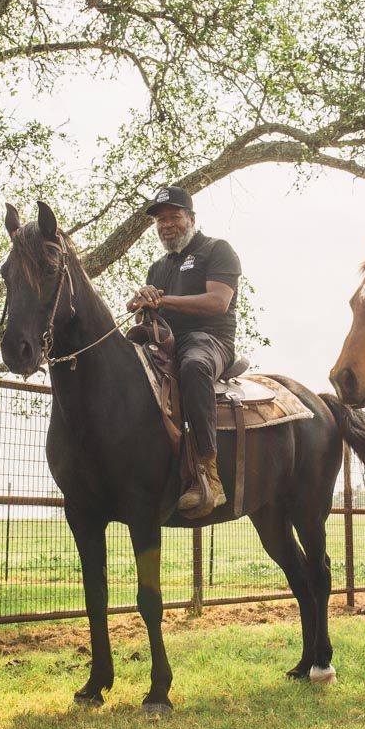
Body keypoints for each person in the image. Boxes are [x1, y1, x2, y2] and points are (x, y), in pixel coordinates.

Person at [125, 185, 242, 518]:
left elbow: (218, 302)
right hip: (165, 343)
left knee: (193, 366)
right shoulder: (157, 267)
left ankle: (209, 473)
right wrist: (143, 305)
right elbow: (154, 313)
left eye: (174, 216)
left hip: (209, 341)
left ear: (191, 218)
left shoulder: (217, 250)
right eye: (160, 220)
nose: (166, 225)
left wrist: (162, 300)